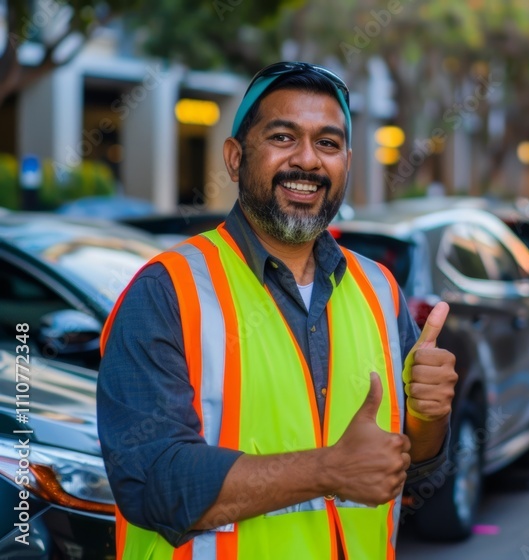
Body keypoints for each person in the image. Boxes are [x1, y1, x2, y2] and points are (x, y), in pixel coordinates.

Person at [96, 61, 457, 559]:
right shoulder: (167, 291)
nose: (308, 160)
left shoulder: (379, 289)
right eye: (284, 137)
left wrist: (427, 415)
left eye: (328, 143)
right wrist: (327, 470)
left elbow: (414, 469)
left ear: (346, 164)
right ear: (235, 158)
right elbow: (153, 484)